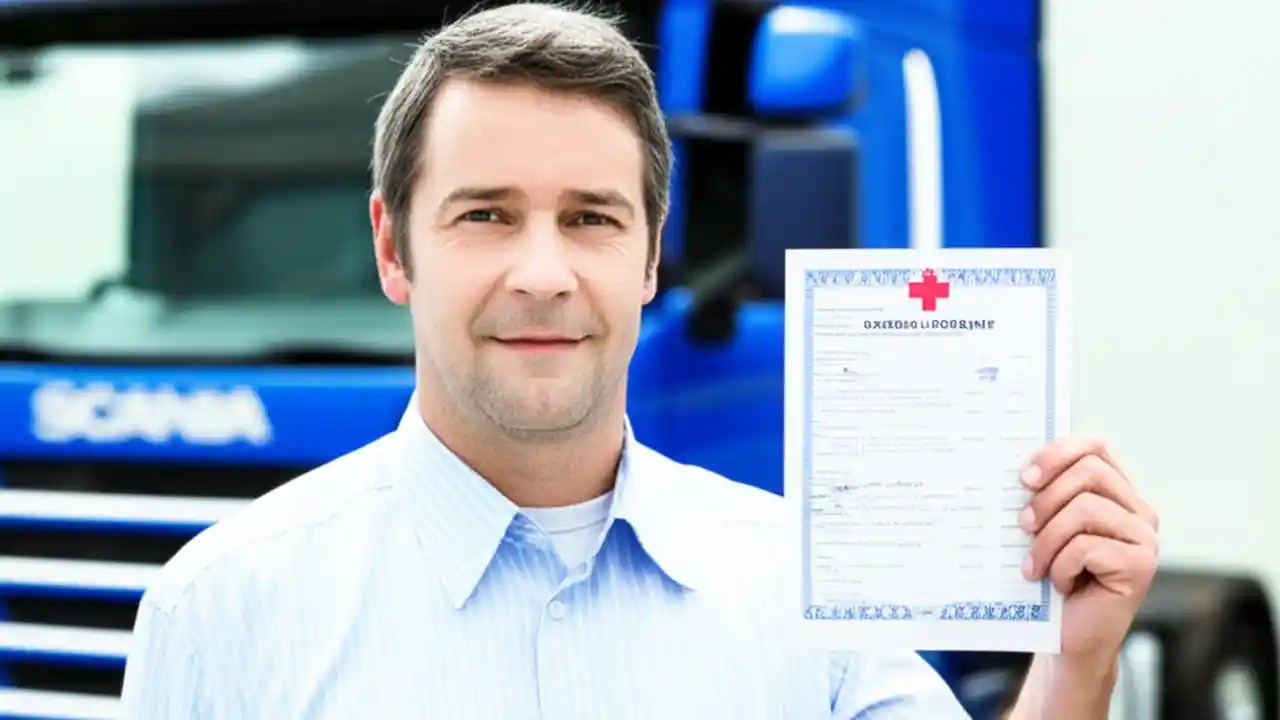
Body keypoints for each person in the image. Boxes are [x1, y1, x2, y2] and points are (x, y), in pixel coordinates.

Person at [119, 3, 1160, 717]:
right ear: (395, 248)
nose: (542, 273)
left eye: (590, 219)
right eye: (485, 215)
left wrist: (1074, 662)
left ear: (653, 254)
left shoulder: (805, 582)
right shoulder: (220, 608)